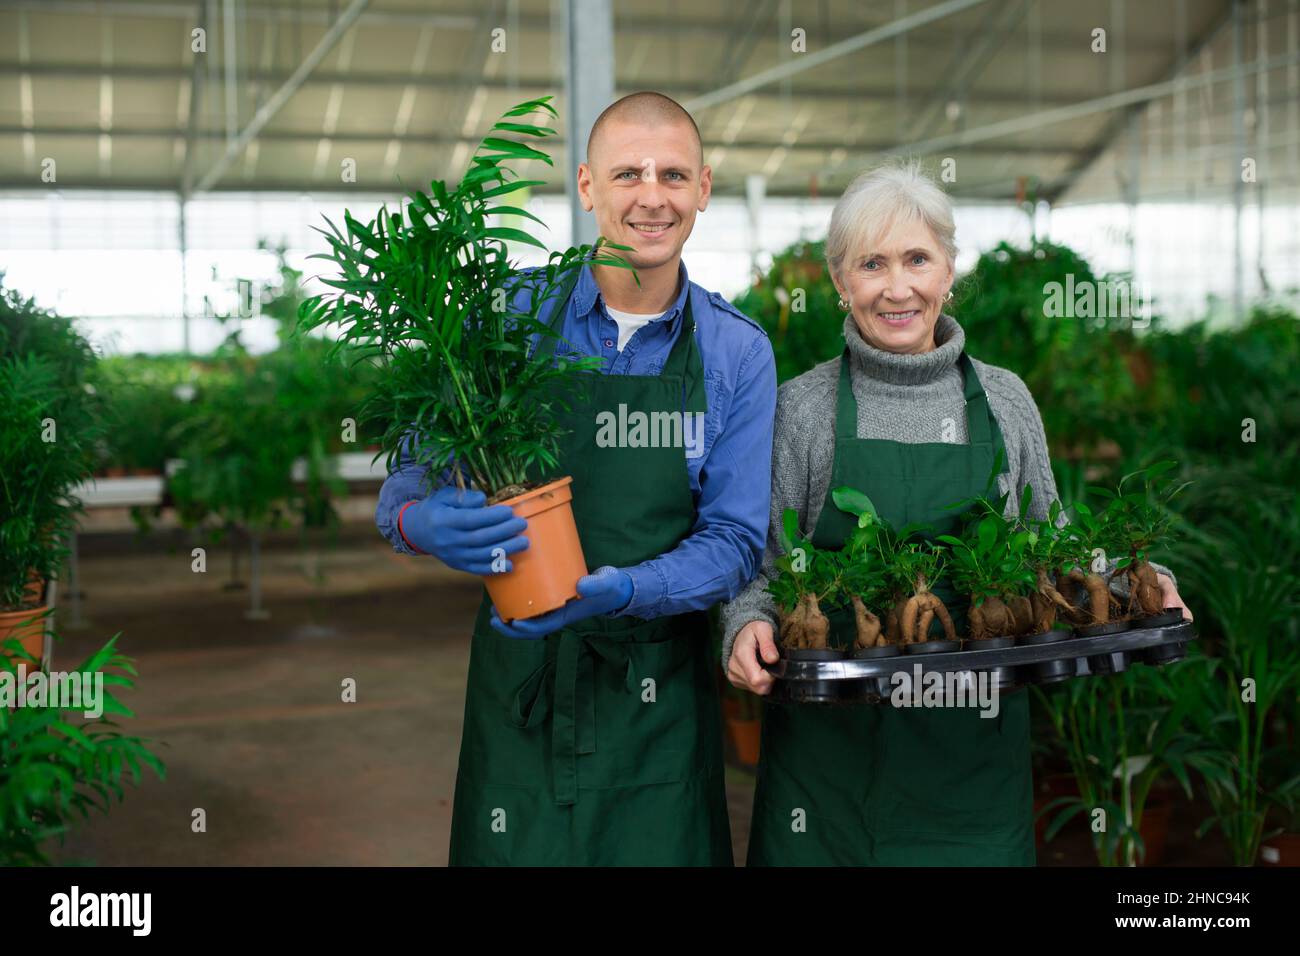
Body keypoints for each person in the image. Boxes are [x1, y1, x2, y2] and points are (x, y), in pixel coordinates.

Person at [720, 159, 1193, 866]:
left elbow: (1050, 549)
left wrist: (1138, 579)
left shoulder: (1005, 401)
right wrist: (746, 621)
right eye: (872, 264)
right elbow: (763, 569)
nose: (898, 286)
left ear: (948, 271)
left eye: (917, 258)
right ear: (842, 283)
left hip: (972, 763)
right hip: (828, 777)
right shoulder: (804, 411)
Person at [376, 91, 777, 865]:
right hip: (518, 684)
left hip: (656, 702)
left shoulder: (734, 352)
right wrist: (416, 521)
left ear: (704, 188)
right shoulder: (507, 319)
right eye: (628, 174)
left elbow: (733, 542)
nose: (651, 196)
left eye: (672, 174)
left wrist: (626, 588)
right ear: (588, 187)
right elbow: (411, 473)